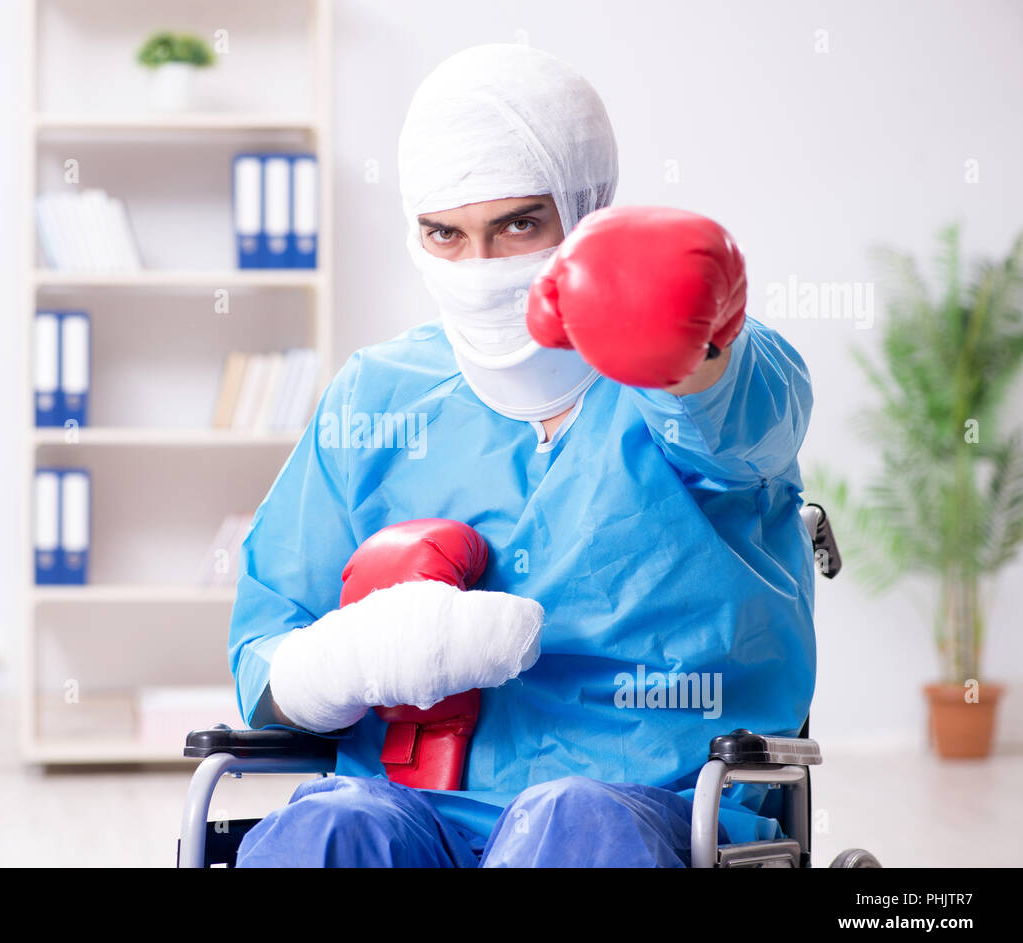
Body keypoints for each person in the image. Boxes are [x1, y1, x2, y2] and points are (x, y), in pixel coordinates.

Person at [226, 43, 815, 867]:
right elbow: (266, 639)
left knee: (572, 821)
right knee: (324, 829)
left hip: (645, 817)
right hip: (413, 812)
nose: (480, 268)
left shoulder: (691, 380)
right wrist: (346, 660)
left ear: (584, 212)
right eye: (445, 233)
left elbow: (745, 421)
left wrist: (693, 346)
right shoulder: (377, 399)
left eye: (517, 225)